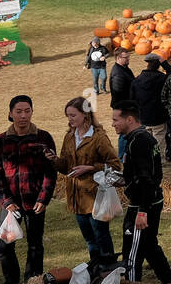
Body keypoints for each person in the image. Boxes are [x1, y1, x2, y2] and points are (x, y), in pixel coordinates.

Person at [0, 95, 57, 284]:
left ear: (32, 112)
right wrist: (6, 201)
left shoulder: (44, 138)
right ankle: (11, 283)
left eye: (27, 111)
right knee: (5, 245)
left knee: (35, 244)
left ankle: (33, 282)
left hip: (35, 202)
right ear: (10, 114)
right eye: (18, 111)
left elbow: (50, 172)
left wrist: (44, 198)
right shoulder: (0, 142)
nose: (23, 115)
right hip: (11, 205)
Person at [49, 96, 121, 270]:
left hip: (96, 197)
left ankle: (108, 268)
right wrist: (53, 160)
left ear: (85, 115)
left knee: (101, 236)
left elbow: (115, 165)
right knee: (90, 239)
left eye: (73, 115)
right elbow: (66, 168)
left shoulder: (98, 138)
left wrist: (89, 168)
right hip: (76, 198)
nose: (70, 119)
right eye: (68, 116)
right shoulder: (69, 137)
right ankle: (95, 267)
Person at [110, 101, 171, 284]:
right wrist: (125, 180)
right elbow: (151, 173)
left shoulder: (138, 142)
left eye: (116, 120)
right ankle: (169, 283)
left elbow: (147, 180)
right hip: (151, 200)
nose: (113, 124)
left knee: (132, 251)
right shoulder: (144, 138)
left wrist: (142, 211)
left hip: (143, 203)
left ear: (129, 119)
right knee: (149, 246)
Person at [130, 54, 170, 162]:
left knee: (146, 139)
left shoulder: (137, 80)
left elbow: (132, 99)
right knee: (158, 139)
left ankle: (148, 157)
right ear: (158, 65)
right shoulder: (161, 78)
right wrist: (165, 63)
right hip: (158, 116)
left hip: (143, 116)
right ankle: (158, 158)